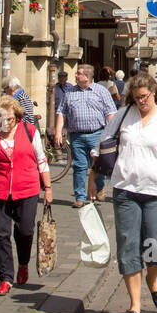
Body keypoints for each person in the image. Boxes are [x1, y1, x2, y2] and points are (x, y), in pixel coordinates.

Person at [89, 72, 157, 313]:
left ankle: (152, 280)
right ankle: (134, 305)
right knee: (128, 244)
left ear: (154, 93)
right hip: (124, 189)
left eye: (144, 97)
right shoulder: (124, 116)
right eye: (136, 98)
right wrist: (93, 177)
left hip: (156, 191)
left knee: (154, 244)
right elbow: (104, 144)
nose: (141, 102)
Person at [0, 94, 52, 295]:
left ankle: (23, 263)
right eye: (0, 119)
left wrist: (48, 189)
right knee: (0, 235)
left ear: (16, 116)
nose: (5, 124)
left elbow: (41, 160)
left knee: (25, 231)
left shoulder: (29, 131)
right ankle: (6, 277)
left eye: (8, 119)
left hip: (27, 188)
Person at [55, 62, 116, 207]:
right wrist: (58, 132)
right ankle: (80, 197)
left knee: (99, 165)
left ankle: (99, 188)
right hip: (77, 136)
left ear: (87, 76)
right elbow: (61, 113)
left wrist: (111, 134)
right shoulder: (69, 92)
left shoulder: (101, 91)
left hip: (97, 134)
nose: (75, 75)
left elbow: (110, 113)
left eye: (78, 73)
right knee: (79, 166)